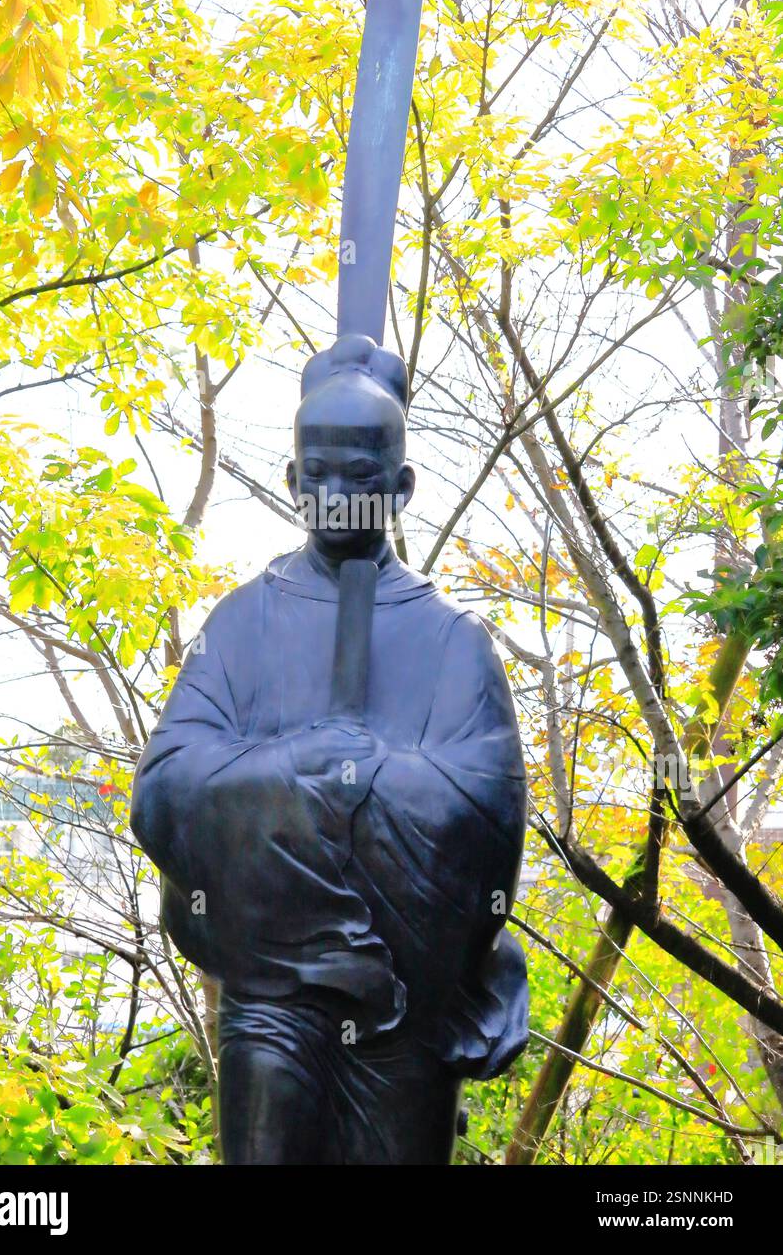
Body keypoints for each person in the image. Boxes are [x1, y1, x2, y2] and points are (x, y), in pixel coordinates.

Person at [131, 333, 528, 1164]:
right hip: (272, 993)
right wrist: (303, 769)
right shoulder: (242, 624)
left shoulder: (455, 642)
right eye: (321, 475)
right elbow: (167, 789)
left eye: (364, 474)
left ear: (404, 486)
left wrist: (362, 775)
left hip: (409, 1005)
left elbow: (485, 813)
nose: (341, 494)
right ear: (290, 482)